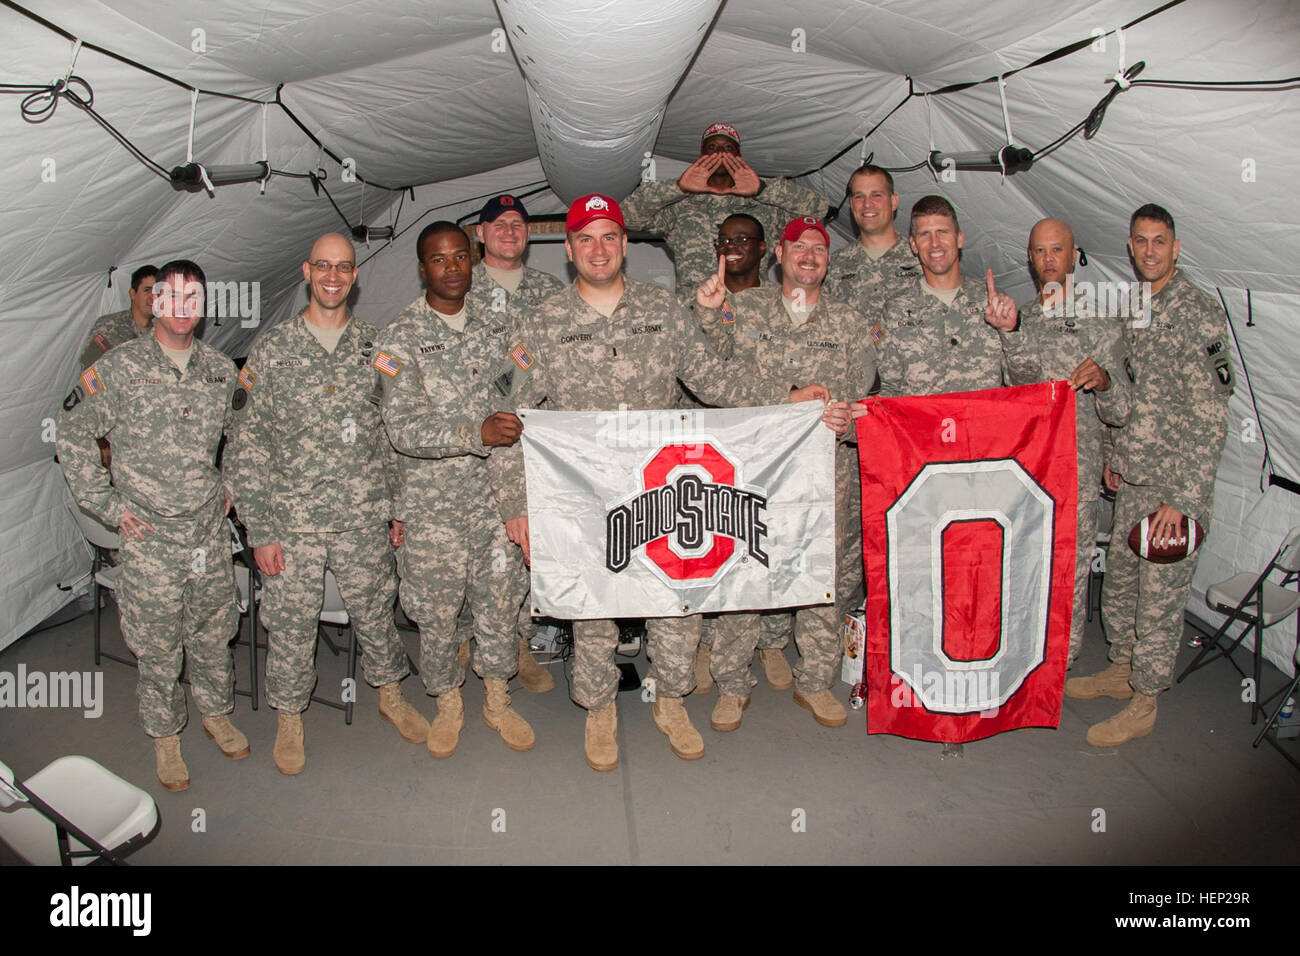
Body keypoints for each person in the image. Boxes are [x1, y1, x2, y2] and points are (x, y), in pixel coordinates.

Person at [491, 193, 830, 772]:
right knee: (593, 609)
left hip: (663, 492)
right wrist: (515, 503)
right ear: (570, 250)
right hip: (583, 495)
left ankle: (671, 700)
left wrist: (787, 400)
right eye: (586, 239)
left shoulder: (663, 309)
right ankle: (600, 709)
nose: (599, 249)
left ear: (624, 245)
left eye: (610, 237)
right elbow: (507, 420)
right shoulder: (541, 324)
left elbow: (716, 381)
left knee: (676, 601)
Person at [225, 233, 427, 775]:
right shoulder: (273, 350)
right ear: (306, 272)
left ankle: (390, 694)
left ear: (355, 275)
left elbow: (397, 433)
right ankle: (289, 718)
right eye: (323, 266)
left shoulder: (378, 348)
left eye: (343, 267)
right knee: (290, 624)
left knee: (376, 614)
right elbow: (247, 446)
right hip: (292, 521)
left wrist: (400, 506)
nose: (333, 276)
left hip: (364, 515)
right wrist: (260, 529)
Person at [57, 259, 243, 792]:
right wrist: (109, 506)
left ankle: (216, 713)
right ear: (153, 302)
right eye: (170, 297)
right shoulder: (116, 369)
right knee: (158, 643)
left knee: (214, 632)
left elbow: (242, 434)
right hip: (150, 536)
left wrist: (229, 486)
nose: (181, 309)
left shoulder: (219, 369)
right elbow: (71, 434)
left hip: (206, 533)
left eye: (193, 299)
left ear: (203, 307)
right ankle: (165, 736)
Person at [1066, 203, 1234, 746]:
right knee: (1121, 588)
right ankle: (1122, 668)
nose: (1149, 251)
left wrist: (1182, 500)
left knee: (1159, 599)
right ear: (1131, 246)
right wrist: (1116, 454)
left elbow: (1211, 418)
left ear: (1176, 247)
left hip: (1172, 491)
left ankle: (1145, 700)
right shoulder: (1133, 308)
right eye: (1140, 241)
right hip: (1136, 480)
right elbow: (1129, 393)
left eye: (1159, 241)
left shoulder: (1198, 312)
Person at [696, 216, 872, 732]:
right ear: (779, 254)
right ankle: (731, 684)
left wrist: (849, 421)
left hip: (825, 475)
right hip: (754, 471)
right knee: (744, 572)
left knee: (822, 577)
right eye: (800, 247)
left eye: (820, 248)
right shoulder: (741, 308)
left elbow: (864, 402)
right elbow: (711, 377)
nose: (810, 256)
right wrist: (708, 314)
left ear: (829, 260)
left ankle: (815, 681)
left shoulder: (850, 324)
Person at [376, 222, 536, 759]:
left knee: (498, 603)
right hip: (432, 509)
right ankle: (448, 703)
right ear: (422, 268)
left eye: (459, 257)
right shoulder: (399, 337)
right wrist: (476, 432)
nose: (450, 268)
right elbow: (402, 429)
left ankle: (496, 699)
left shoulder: (503, 323)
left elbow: (527, 382)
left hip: (495, 501)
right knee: (437, 613)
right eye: (437, 260)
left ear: (473, 261)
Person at [986, 218, 1131, 667]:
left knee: (1068, 570)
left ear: (1073, 256)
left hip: (1078, 471)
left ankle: (1057, 665)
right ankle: (1020, 656)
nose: (1048, 260)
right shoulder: (1019, 316)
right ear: (1029, 259)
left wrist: (1106, 383)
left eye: (1057, 250)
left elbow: (1122, 410)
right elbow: (1018, 389)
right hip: (1025, 471)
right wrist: (1010, 334)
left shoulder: (1103, 321)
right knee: (1023, 565)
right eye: (1038, 251)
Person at [461, 194, 567, 694]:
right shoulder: (457, 286)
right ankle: (468, 642)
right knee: (472, 559)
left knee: (522, 555)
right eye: (497, 224)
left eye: (518, 224)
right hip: (467, 450)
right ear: (479, 234)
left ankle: (519, 643)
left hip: (530, 450)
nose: (509, 230)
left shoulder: (550, 293)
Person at [693, 213, 794, 694]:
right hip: (716, 444)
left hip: (771, 445)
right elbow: (692, 373)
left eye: (744, 240)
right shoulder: (699, 300)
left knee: (765, 544)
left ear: (764, 248)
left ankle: (770, 641)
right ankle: (711, 641)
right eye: (725, 238)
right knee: (714, 545)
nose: (734, 246)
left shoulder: (783, 305)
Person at [620, 122, 827, 292]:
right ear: (701, 156)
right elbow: (627, 216)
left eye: (727, 148)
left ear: (738, 155)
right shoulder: (682, 205)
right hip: (695, 317)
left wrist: (763, 189)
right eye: (712, 148)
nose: (719, 154)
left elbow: (819, 209)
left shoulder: (765, 205)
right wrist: (677, 187)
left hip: (751, 314)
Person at [878, 195, 1008, 397]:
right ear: (913, 245)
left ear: (959, 238)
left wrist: (1010, 330)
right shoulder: (896, 310)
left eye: (942, 232)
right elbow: (888, 389)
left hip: (981, 425)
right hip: (925, 427)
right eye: (925, 235)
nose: (935, 243)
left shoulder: (991, 302)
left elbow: (1024, 380)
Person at [75, 265, 157, 469]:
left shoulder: (161, 333)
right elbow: (89, 377)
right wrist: (99, 437)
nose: (152, 297)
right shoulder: (110, 327)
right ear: (132, 294)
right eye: (147, 290)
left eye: (157, 292)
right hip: (114, 435)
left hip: (148, 437)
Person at [824, 164, 920, 307]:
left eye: (876, 195)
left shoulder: (921, 260)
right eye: (859, 196)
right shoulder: (834, 267)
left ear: (893, 202)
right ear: (851, 204)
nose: (867, 204)